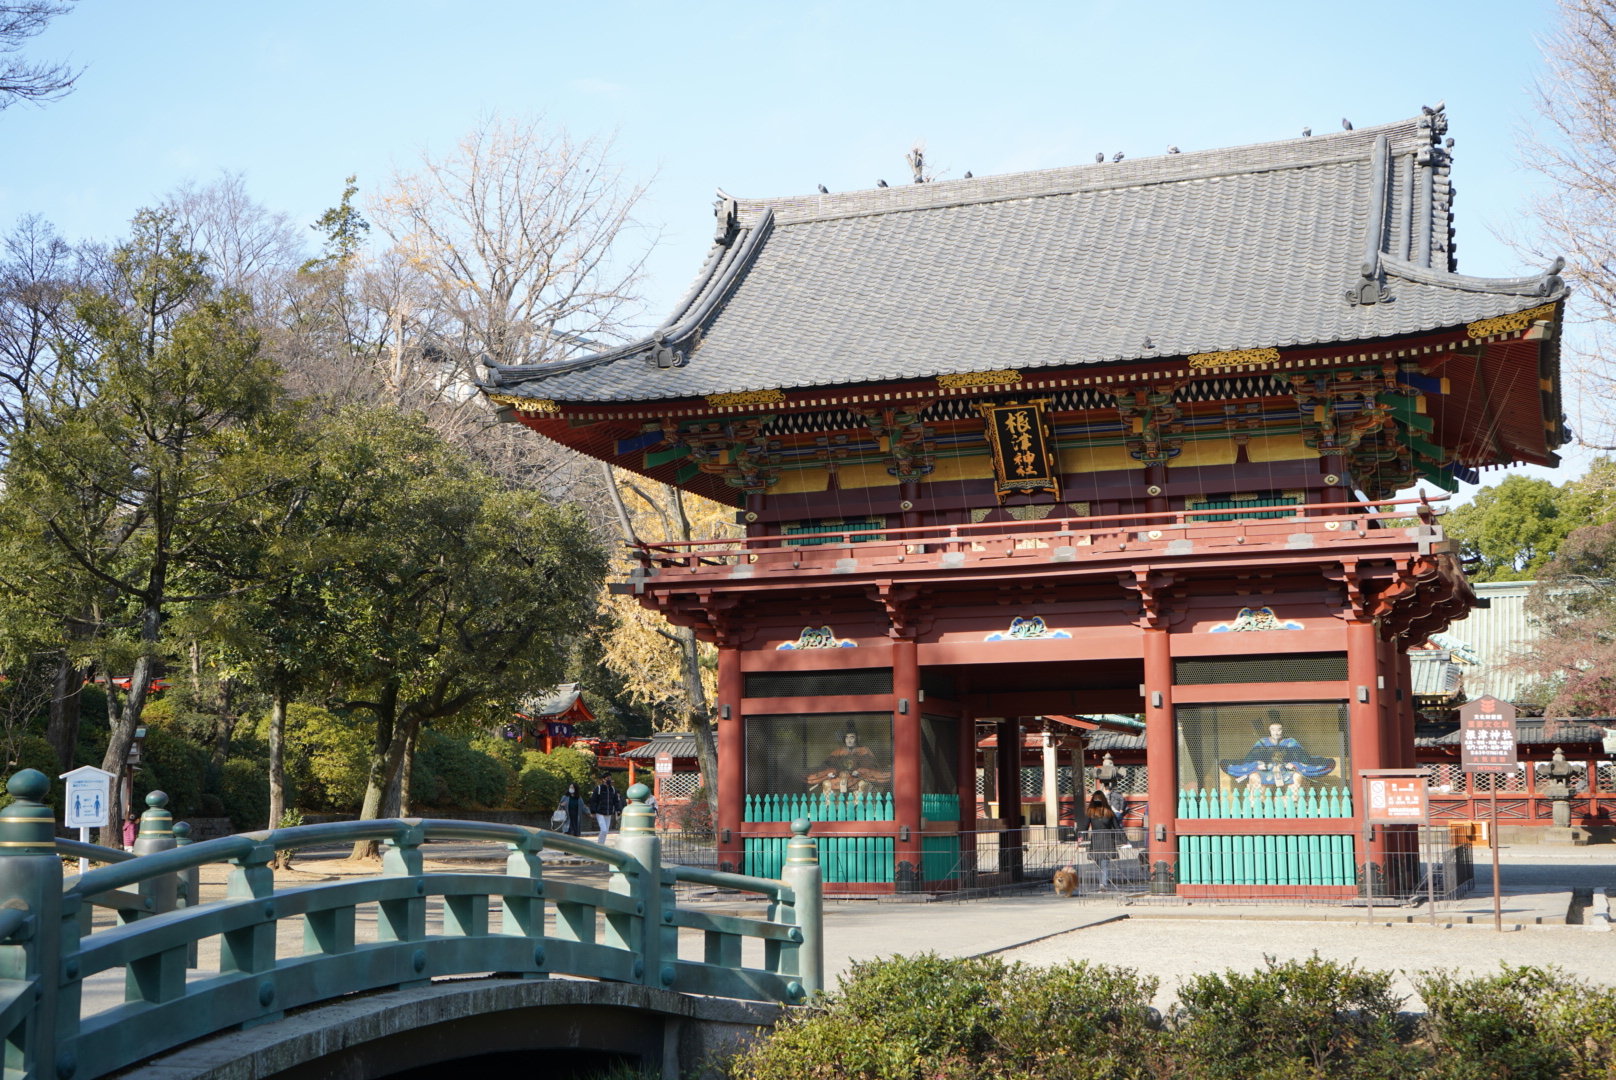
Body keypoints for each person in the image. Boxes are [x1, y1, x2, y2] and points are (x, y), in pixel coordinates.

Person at [1220, 718, 1336, 791]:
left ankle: (1292, 802)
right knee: (1254, 776)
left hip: (1286, 771)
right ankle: (1262, 803)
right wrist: (1257, 765)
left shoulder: (1290, 742)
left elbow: (1303, 758)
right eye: (1273, 730)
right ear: (1269, 730)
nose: (1276, 732)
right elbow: (1250, 759)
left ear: (1282, 730)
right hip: (1266, 772)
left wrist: (1294, 764)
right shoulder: (1262, 742)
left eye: (1279, 729)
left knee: (1298, 777)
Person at [805, 723, 893, 796]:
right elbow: (828, 763)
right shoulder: (839, 750)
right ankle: (833, 807)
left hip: (856, 778)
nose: (849, 740)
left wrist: (859, 771)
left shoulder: (863, 750)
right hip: (839, 777)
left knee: (863, 784)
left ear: (857, 738)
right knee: (827, 784)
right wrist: (830, 772)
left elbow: (869, 765)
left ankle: (858, 809)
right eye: (847, 738)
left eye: (852, 737)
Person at [1081, 790, 1123, 890]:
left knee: (1104, 864)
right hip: (1098, 840)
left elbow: (1117, 826)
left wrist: (1124, 840)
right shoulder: (1091, 812)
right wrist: (1081, 837)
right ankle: (1102, 882)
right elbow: (1085, 826)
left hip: (1105, 840)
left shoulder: (1108, 812)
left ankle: (1103, 884)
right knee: (1099, 864)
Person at [589, 776, 624, 844]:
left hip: (609, 813)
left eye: (610, 778)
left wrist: (618, 809)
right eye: (607, 778)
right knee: (603, 830)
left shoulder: (613, 789)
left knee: (606, 831)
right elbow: (593, 800)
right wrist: (593, 811)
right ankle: (599, 844)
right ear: (603, 779)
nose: (609, 780)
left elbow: (615, 801)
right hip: (600, 812)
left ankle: (602, 844)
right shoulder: (599, 788)